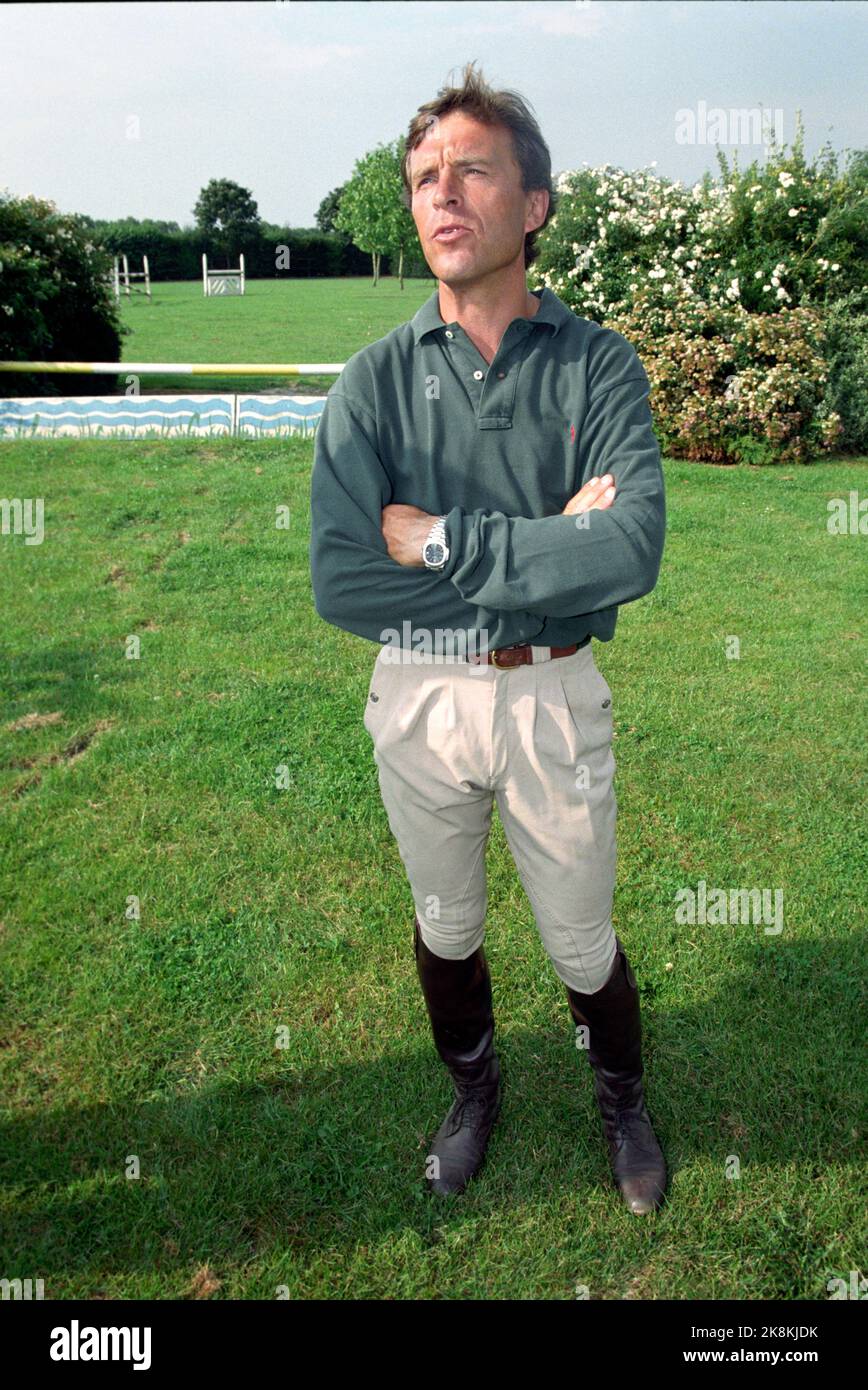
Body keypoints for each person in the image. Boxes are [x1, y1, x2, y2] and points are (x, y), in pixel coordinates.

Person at [309, 62, 667, 1214]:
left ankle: (620, 1096)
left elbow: (631, 551)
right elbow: (344, 579)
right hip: (415, 696)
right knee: (446, 922)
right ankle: (473, 1092)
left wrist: (442, 540)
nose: (442, 194)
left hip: (552, 697)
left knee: (578, 938)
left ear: (534, 204)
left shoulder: (599, 363)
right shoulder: (369, 383)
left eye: (472, 169)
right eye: (423, 177)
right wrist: (546, 548)